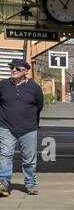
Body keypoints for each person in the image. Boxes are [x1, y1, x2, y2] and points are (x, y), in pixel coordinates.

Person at [0, 59, 44, 196]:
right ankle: (3, 184)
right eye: (12, 67)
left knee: (29, 159)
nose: (13, 70)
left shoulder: (34, 88)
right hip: (6, 127)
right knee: (5, 155)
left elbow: (39, 105)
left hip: (28, 128)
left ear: (25, 71)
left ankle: (30, 184)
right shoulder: (3, 85)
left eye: (17, 69)